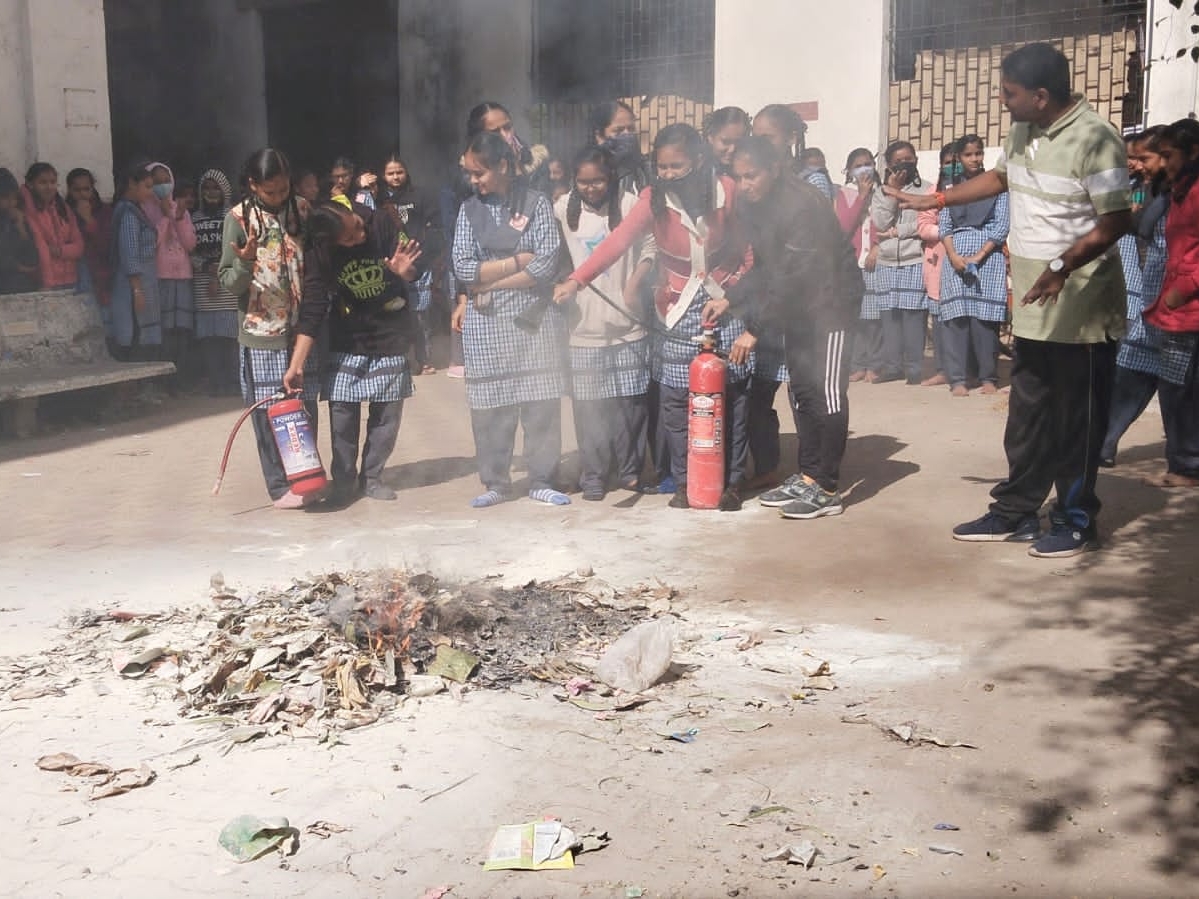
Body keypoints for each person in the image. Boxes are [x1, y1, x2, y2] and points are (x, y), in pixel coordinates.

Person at [898, 43, 1132, 558]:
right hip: (1032, 303)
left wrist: (1058, 268)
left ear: (1041, 97)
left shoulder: (1097, 139)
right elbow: (1002, 178)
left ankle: (1074, 518)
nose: (1002, 100)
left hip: (1082, 310)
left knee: (1076, 420)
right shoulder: (1024, 129)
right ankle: (1015, 510)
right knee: (1026, 417)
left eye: (1009, 93)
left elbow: (1118, 219)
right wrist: (935, 199)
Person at [555, 123, 756, 512]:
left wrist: (743, 303)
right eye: (660, 167)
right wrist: (578, 280)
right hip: (677, 310)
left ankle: (731, 482)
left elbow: (749, 248)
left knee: (731, 398)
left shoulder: (727, 191)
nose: (666, 174)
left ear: (698, 161)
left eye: (675, 166)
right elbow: (616, 244)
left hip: (728, 301)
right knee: (678, 404)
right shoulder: (652, 199)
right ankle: (685, 482)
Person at [731, 136, 863, 519]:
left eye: (751, 176)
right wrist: (731, 297)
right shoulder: (758, 205)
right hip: (800, 309)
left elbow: (793, 275)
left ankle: (828, 487)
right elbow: (766, 268)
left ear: (773, 169)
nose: (744, 185)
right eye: (738, 178)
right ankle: (808, 474)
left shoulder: (803, 204)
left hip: (831, 305)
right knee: (803, 391)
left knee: (828, 394)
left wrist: (754, 329)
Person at [451, 130, 569, 508]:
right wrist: (517, 261)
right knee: (490, 408)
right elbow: (463, 267)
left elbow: (547, 262)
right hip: (486, 327)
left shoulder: (535, 204)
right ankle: (497, 482)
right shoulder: (468, 211)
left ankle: (541, 478)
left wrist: (495, 281)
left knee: (540, 405)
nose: (474, 181)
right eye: (470, 174)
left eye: (479, 173)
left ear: (503, 166)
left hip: (533, 323)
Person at [284, 201, 422, 503]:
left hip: (390, 334)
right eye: (349, 238)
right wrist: (296, 364)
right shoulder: (321, 249)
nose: (360, 236)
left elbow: (414, 269)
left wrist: (405, 272)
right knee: (342, 413)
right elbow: (314, 307)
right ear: (332, 243)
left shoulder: (380, 222)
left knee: (386, 417)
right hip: (347, 337)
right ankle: (344, 480)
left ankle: (372, 477)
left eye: (358, 227)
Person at [219, 148, 320, 510]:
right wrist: (245, 263)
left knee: (303, 407)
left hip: (299, 331)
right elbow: (228, 280)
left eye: (283, 190)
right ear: (253, 185)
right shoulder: (238, 218)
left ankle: (306, 478)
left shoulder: (302, 210)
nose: (278, 199)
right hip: (261, 333)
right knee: (268, 412)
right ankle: (278, 486)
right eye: (270, 193)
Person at [554, 145, 654, 501]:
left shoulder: (630, 205)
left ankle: (629, 472)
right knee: (590, 407)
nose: (591, 188)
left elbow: (650, 248)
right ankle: (593, 475)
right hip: (583, 329)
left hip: (629, 325)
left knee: (631, 406)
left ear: (611, 178)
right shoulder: (563, 209)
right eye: (583, 182)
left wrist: (633, 284)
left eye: (598, 181)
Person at [1101, 126, 1168, 467]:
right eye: (1131, 157)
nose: (1136, 164)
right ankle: (1108, 440)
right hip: (1139, 297)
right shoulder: (1126, 188)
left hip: (1170, 296)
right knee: (1133, 364)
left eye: (1142, 158)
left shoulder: (1172, 193)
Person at [1143, 118, 1199, 488]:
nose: (1164, 163)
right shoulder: (1180, 189)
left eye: (1169, 155)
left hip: (1187, 305)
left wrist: (1187, 286)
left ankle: (1187, 464)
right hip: (1176, 306)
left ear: (1193, 152)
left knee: (1181, 391)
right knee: (1178, 386)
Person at [936, 134, 1010, 396]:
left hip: (988, 256)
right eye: (968, 154)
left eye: (978, 153)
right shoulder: (949, 188)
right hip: (955, 254)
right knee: (956, 318)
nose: (974, 159)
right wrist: (954, 256)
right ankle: (957, 379)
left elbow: (1002, 224)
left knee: (985, 319)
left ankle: (988, 376)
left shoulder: (997, 184)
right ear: (959, 157)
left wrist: (980, 255)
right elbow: (944, 226)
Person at [872, 141, 933, 384]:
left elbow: (924, 222)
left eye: (909, 158)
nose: (905, 164)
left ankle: (914, 368)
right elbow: (881, 223)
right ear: (889, 165)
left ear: (916, 160)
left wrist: (900, 231)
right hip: (887, 261)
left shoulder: (927, 189)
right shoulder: (880, 192)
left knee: (913, 317)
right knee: (890, 318)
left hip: (914, 259)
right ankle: (892, 366)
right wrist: (892, 192)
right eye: (898, 161)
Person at [375, 153, 443, 375]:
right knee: (394, 314)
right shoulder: (378, 198)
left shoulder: (421, 196)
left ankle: (423, 359)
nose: (395, 177)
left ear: (406, 172)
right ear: (383, 176)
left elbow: (434, 227)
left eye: (399, 172)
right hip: (390, 265)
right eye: (390, 173)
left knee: (421, 315)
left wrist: (426, 256)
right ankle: (399, 360)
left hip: (417, 264)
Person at [144, 163, 197, 388]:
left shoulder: (180, 209)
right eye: (156, 181)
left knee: (182, 330)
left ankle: (182, 380)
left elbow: (190, 244)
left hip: (183, 278)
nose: (162, 185)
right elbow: (152, 243)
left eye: (166, 180)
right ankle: (163, 383)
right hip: (161, 277)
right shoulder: (145, 209)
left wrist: (178, 217)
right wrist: (166, 217)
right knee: (165, 330)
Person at [192, 168, 241, 395]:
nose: (211, 192)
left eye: (215, 188)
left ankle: (232, 383)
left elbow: (238, 249)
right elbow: (187, 251)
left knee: (230, 337)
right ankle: (216, 383)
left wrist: (219, 273)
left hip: (228, 285)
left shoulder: (232, 216)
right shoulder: (193, 218)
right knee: (209, 338)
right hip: (202, 286)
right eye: (206, 188)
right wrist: (204, 267)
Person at [837, 148, 885, 382]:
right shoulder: (844, 194)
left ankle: (874, 364)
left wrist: (877, 246)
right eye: (859, 165)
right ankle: (856, 363)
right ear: (849, 170)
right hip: (851, 264)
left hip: (875, 262)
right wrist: (862, 196)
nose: (865, 168)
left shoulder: (883, 193)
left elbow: (886, 223)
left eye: (868, 163)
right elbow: (844, 228)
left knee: (873, 317)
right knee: (854, 317)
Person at [109, 162, 161, 361]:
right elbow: (130, 254)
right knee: (134, 335)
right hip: (132, 287)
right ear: (132, 184)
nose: (150, 192)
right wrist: (137, 291)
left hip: (142, 283)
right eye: (147, 186)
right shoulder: (129, 214)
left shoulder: (136, 210)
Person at [21, 163, 84, 290]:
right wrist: (47, 285)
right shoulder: (27, 211)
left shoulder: (63, 208)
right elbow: (42, 249)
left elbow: (79, 246)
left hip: (70, 278)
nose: (49, 187)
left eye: (53, 182)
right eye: (43, 182)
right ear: (30, 184)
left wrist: (59, 251)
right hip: (45, 282)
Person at [752, 105, 833, 201]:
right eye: (756, 139)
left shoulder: (812, 180)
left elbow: (820, 215)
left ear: (791, 138)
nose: (760, 145)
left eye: (767, 139)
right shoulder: (753, 180)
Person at [66, 169, 115, 324]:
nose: (82, 194)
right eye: (77, 190)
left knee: (105, 322)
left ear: (93, 188)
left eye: (86, 189)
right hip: (75, 275)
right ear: (69, 190)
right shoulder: (64, 212)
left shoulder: (105, 212)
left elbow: (108, 246)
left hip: (102, 276)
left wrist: (88, 220)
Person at [589, 100, 651, 197]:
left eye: (631, 128)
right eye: (618, 130)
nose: (627, 134)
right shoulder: (588, 173)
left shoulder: (647, 169)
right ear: (599, 136)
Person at [0, 168, 39, 294]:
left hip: (17, 282)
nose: (12, 203)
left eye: (14, 198)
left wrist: (21, 227)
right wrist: (18, 267)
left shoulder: (18, 219)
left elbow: (32, 258)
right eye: (5, 197)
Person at [704, 106, 752, 176]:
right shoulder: (699, 173)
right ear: (711, 137)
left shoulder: (752, 173)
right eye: (725, 142)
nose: (732, 149)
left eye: (739, 142)